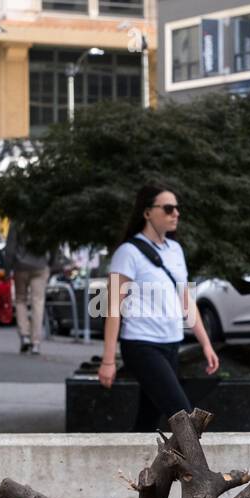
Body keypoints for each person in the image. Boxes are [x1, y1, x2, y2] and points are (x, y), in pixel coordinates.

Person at [98, 182, 219, 430]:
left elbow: (187, 301)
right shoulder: (128, 252)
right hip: (141, 345)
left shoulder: (175, 250)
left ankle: (137, 467)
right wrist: (108, 360)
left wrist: (206, 344)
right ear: (147, 212)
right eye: (168, 208)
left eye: (177, 208)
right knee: (184, 416)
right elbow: (113, 308)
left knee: (148, 419)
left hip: (171, 344)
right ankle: (196, 470)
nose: (176, 213)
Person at [4, 221, 50, 353]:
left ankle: (24, 336)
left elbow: (10, 248)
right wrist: (50, 263)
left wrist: (7, 270)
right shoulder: (44, 218)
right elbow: (53, 244)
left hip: (21, 266)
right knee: (38, 302)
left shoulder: (18, 220)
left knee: (20, 300)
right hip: (40, 265)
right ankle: (36, 342)